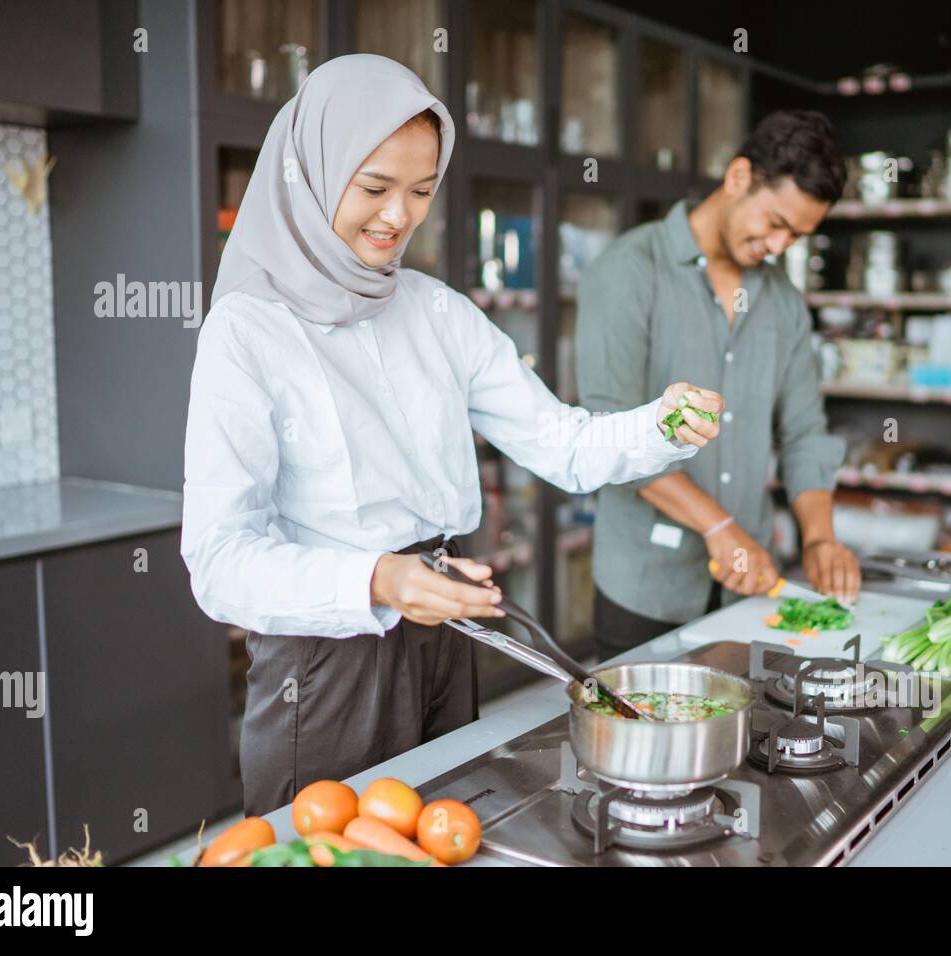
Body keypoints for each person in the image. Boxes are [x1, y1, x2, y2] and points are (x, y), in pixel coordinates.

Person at [180, 55, 725, 816]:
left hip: (444, 621)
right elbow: (220, 561)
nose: (398, 216)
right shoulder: (247, 331)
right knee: (335, 849)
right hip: (327, 659)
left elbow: (561, 445)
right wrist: (378, 580)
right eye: (373, 188)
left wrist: (663, 422)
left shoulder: (437, 312)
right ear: (311, 174)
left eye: (422, 191)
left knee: (445, 830)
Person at [575, 109, 859, 662]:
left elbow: (805, 433)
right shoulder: (630, 271)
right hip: (645, 587)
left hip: (746, 590)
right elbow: (608, 427)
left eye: (796, 236)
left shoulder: (783, 302)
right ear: (738, 178)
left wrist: (820, 537)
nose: (779, 245)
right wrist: (718, 525)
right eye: (775, 222)